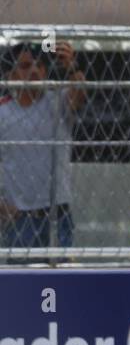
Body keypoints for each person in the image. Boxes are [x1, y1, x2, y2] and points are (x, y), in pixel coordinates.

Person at [0, 41, 87, 249]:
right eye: (25, 66)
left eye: (39, 65)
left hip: (58, 215)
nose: (34, 71)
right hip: (19, 218)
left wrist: (73, 67)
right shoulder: (3, 111)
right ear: (11, 76)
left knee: (62, 280)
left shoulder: (58, 102)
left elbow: (80, 94)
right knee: (22, 280)